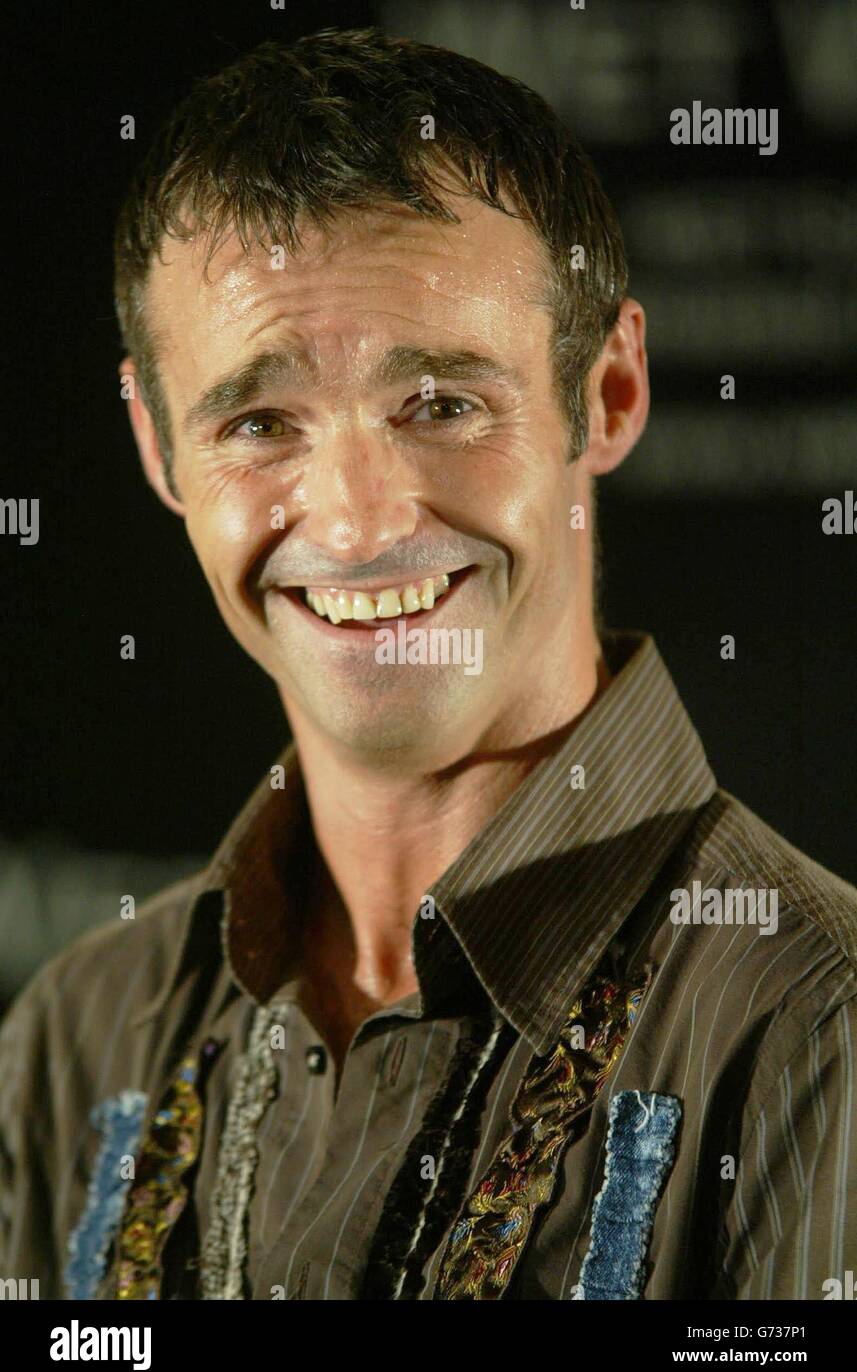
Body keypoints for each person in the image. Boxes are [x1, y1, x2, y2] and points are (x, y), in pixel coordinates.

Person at [1, 27, 855, 1302]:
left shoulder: (816, 1034)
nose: (353, 520)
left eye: (441, 404)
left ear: (608, 391)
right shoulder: (78, 1038)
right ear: (158, 448)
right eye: (259, 422)